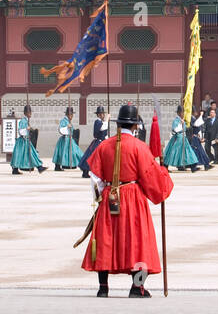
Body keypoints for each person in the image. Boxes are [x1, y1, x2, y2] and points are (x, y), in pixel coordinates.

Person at [81, 103, 173, 298]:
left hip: (109, 197)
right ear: (135, 126)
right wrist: (163, 175)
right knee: (139, 242)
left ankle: (103, 287)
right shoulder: (140, 147)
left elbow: (94, 177)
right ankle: (136, 287)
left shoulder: (104, 145)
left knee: (106, 240)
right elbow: (151, 177)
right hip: (133, 197)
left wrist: (100, 197)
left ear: (118, 124)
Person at [162, 105, 199, 172]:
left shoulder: (181, 120)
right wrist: (180, 124)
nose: (183, 114)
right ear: (179, 113)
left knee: (188, 152)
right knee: (172, 152)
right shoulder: (176, 120)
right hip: (178, 138)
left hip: (183, 138)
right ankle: (165, 166)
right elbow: (175, 130)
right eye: (182, 112)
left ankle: (193, 166)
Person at [10, 105, 44, 175]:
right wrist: (26, 129)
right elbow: (20, 131)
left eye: (30, 112)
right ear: (25, 113)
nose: (30, 113)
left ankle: (39, 167)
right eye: (29, 112)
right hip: (22, 141)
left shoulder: (26, 120)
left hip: (26, 141)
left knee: (32, 154)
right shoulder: (23, 121)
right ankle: (39, 167)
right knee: (21, 155)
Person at [79, 105, 108, 179]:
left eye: (103, 114)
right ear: (98, 115)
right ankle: (85, 171)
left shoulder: (101, 122)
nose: (103, 115)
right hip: (98, 142)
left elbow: (104, 132)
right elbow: (102, 128)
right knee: (91, 156)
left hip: (102, 141)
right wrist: (107, 120)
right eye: (101, 114)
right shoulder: (97, 121)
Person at [52, 106, 84, 171]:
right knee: (63, 152)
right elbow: (60, 129)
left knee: (76, 152)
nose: (71, 116)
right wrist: (67, 127)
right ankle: (60, 166)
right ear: (67, 114)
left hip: (70, 139)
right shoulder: (64, 121)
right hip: (65, 139)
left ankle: (78, 164)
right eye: (70, 114)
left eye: (72, 114)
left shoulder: (68, 121)